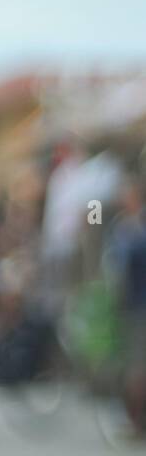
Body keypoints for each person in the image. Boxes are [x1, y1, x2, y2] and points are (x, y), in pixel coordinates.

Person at [106, 172, 146, 438]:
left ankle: (136, 424)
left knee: (136, 366)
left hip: (136, 306)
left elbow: (117, 272)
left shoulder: (131, 231)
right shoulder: (125, 228)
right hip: (134, 305)